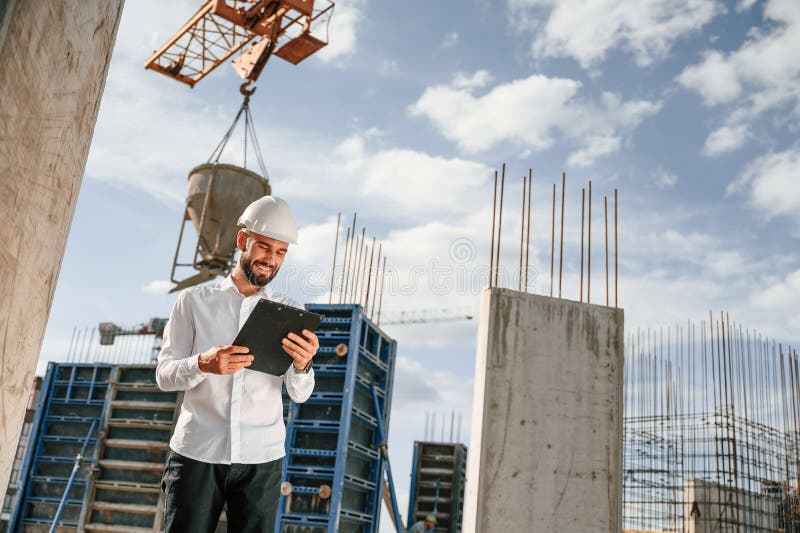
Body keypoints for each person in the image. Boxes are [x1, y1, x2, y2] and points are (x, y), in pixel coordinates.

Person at [156, 195, 319, 532]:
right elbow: (164, 376)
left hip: (262, 459)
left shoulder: (289, 311)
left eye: (280, 253)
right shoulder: (193, 302)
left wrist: (303, 366)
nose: (271, 260)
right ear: (243, 240)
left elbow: (299, 394)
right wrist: (202, 363)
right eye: (264, 247)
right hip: (196, 452)